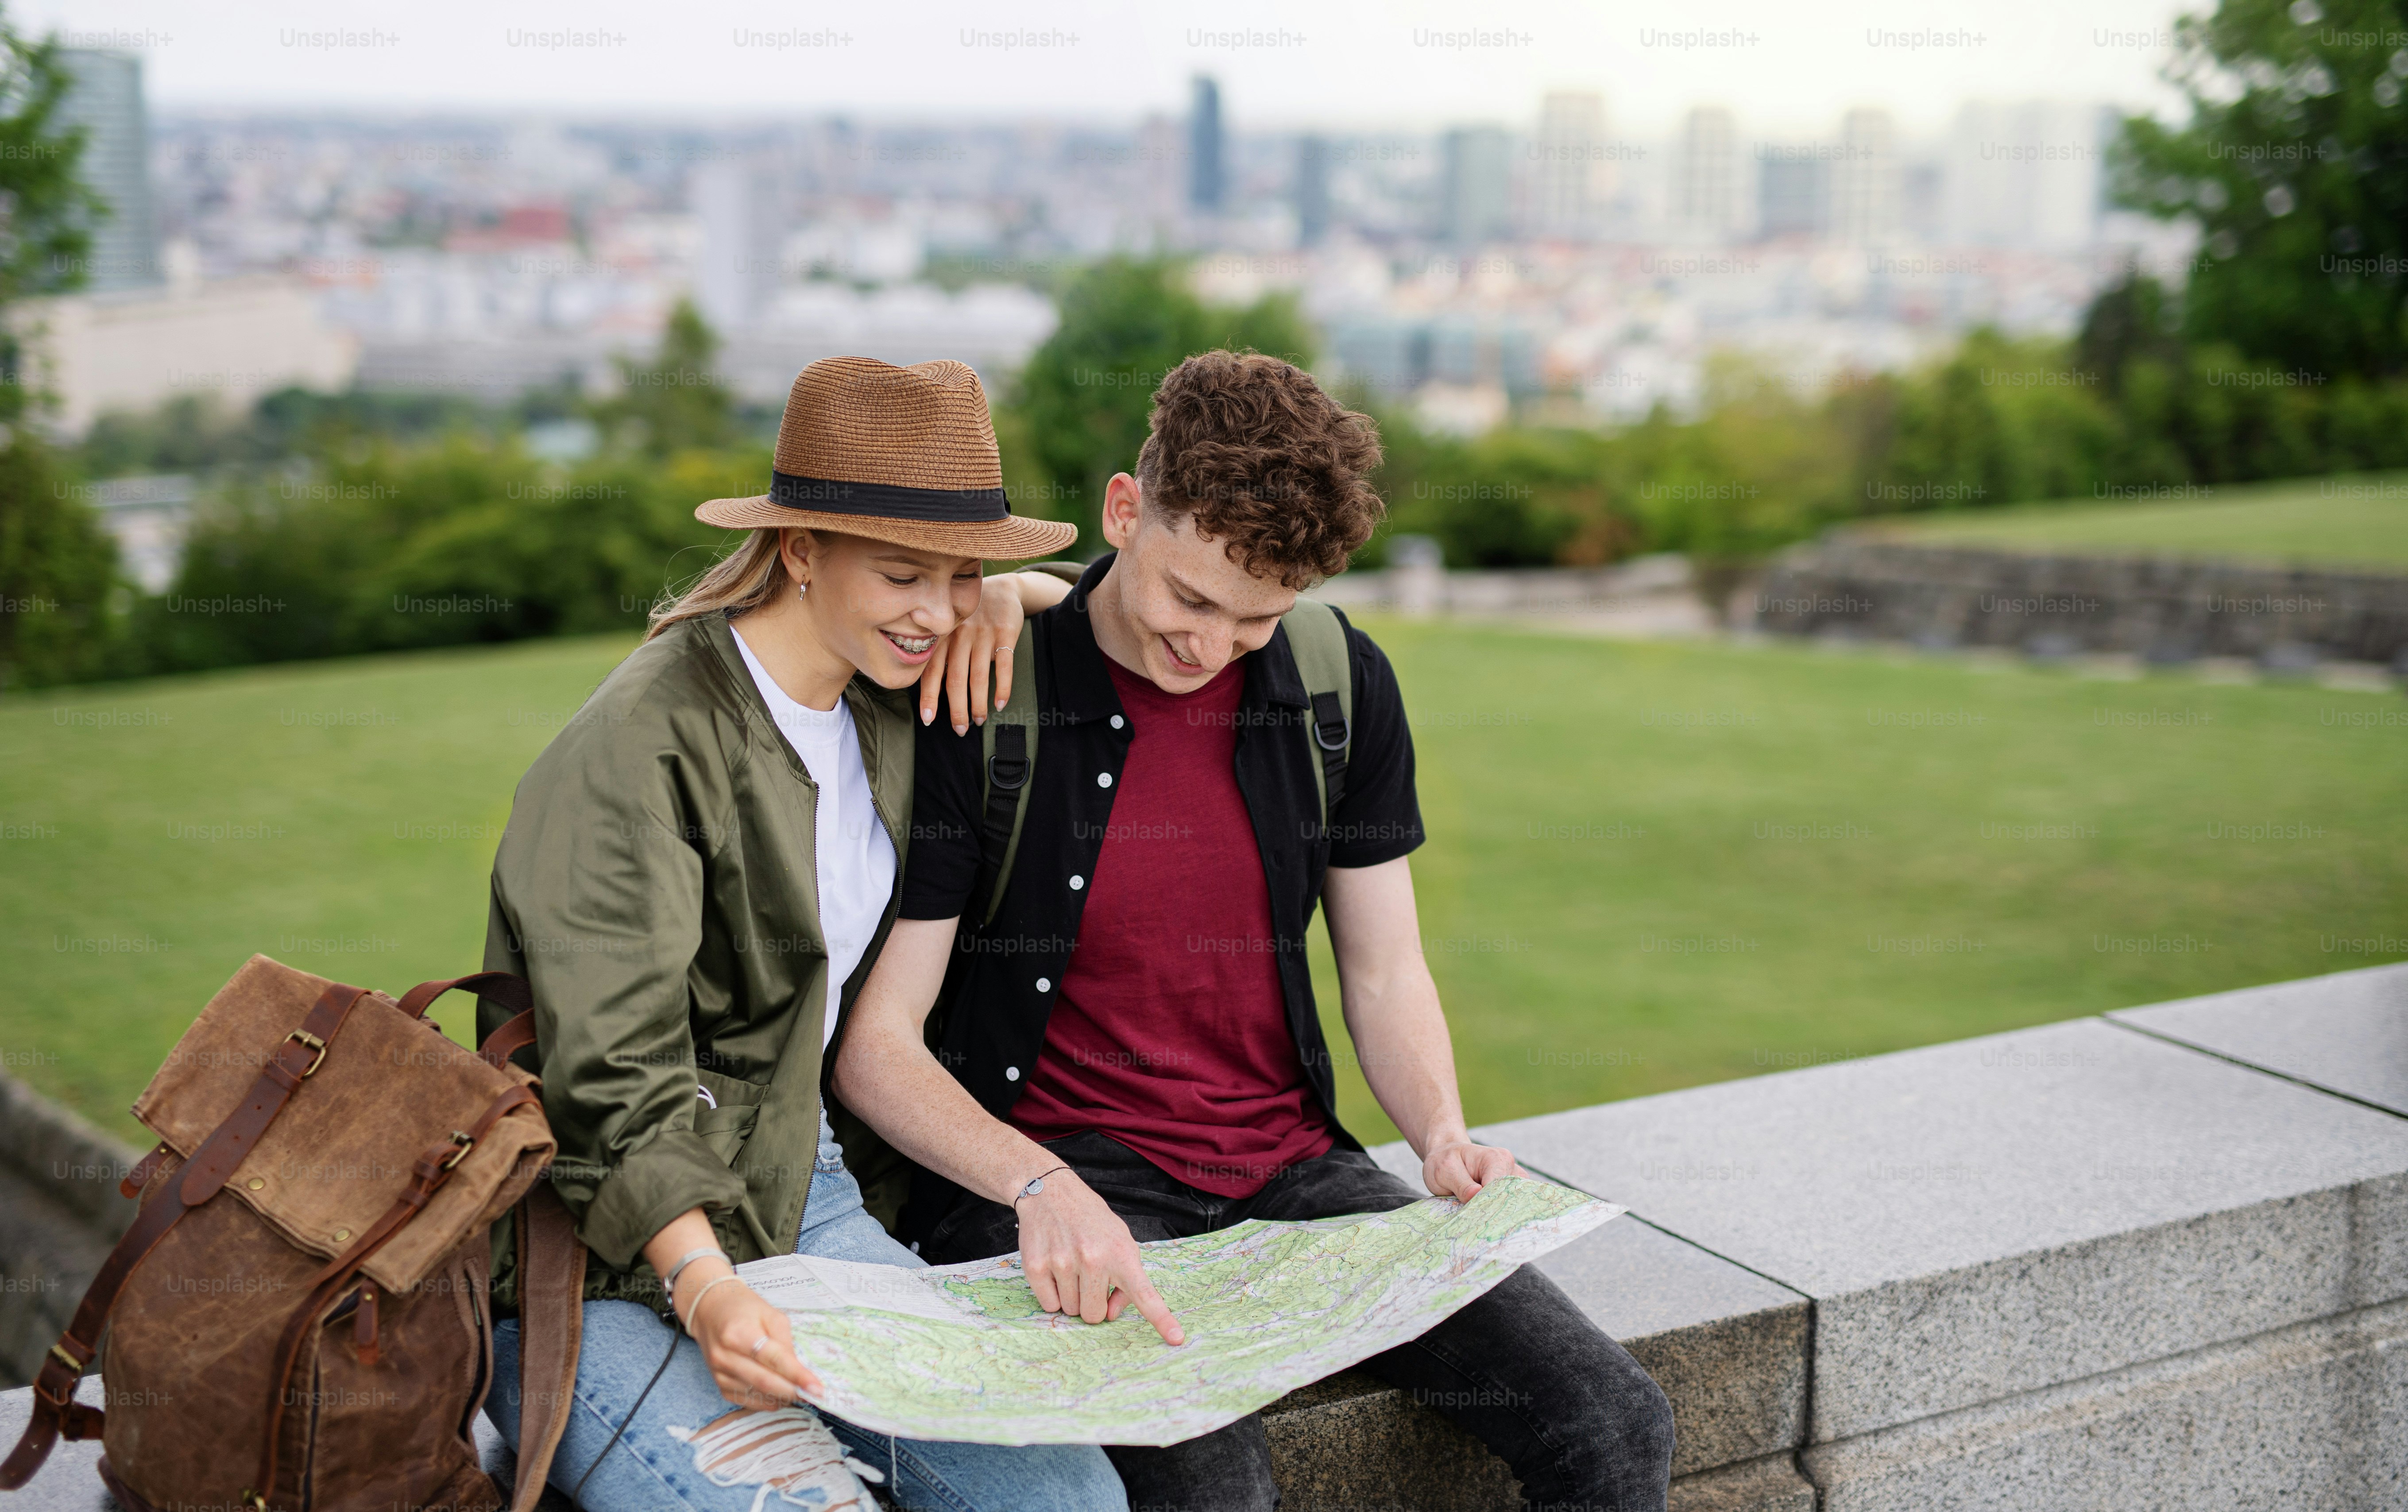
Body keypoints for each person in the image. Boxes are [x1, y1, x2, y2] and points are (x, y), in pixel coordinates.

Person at [834, 351, 1678, 1511]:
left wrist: (1437, 1135)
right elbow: (878, 1045)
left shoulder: (1337, 682)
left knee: (1615, 1424)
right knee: (1217, 1492)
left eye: (1256, 619)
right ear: (1124, 513)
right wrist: (1038, 1190)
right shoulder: (995, 697)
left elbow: (1384, 970)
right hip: (1060, 1179)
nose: (1210, 647)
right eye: (1190, 599)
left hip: (1292, 1174)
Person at [475, 356, 1125, 1512]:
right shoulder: (640, 748)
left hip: (805, 1194)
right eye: (901, 572)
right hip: (605, 1256)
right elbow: (611, 1082)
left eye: (959, 572)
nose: (935, 609)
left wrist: (1012, 596)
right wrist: (710, 1288)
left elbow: (1129, 608)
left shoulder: (890, 687)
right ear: (801, 549)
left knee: (1068, 1498)